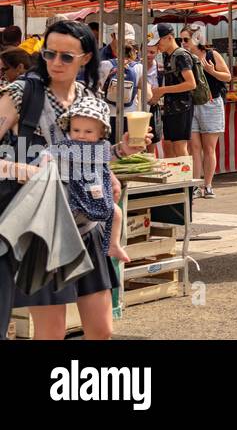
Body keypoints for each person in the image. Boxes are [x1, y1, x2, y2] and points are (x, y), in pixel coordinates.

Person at [0, 19, 151, 340]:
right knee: (51, 333)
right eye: (49, 53)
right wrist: (23, 170)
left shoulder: (90, 97)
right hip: (43, 229)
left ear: (85, 57)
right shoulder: (21, 93)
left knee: (101, 330)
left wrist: (122, 151)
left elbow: (92, 156)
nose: (55, 62)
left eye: (66, 56)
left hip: (87, 225)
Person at [54, 105, 130, 266]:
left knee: (116, 212)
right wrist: (46, 158)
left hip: (97, 193)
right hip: (76, 195)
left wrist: (125, 148)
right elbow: (52, 152)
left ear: (101, 133)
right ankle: (59, 253)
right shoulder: (68, 146)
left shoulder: (101, 147)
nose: (81, 136)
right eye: (76, 130)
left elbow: (110, 157)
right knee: (65, 218)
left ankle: (113, 244)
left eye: (88, 132)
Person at [187, 29, 231, 198]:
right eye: (181, 40)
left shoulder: (211, 54)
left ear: (196, 40)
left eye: (186, 39)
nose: (183, 43)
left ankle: (208, 185)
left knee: (209, 147)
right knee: (194, 148)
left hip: (211, 103)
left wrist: (211, 71)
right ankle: (196, 186)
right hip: (192, 104)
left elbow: (227, 77)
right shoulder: (185, 57)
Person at [150, 23, 196, 157]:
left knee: (179, 147)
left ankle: (185, 178)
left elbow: (191, 84)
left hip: (182, 107)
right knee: (168, 145)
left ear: (169, 38)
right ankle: (172, 177)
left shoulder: (181, 55)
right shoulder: (166, 55)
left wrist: (163, 90)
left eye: (159, 42)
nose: (158, 45)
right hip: (170, 107)